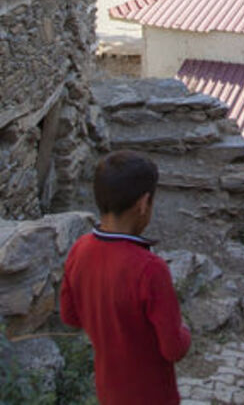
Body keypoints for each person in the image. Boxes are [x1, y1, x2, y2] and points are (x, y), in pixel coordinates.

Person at [61, 151, 192, 405]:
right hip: (151, 395)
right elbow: (174, 348)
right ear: (144, 203)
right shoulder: (150, 269)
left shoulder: (79, 250)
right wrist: (184, 329)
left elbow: (70, 316)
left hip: (107, 389)